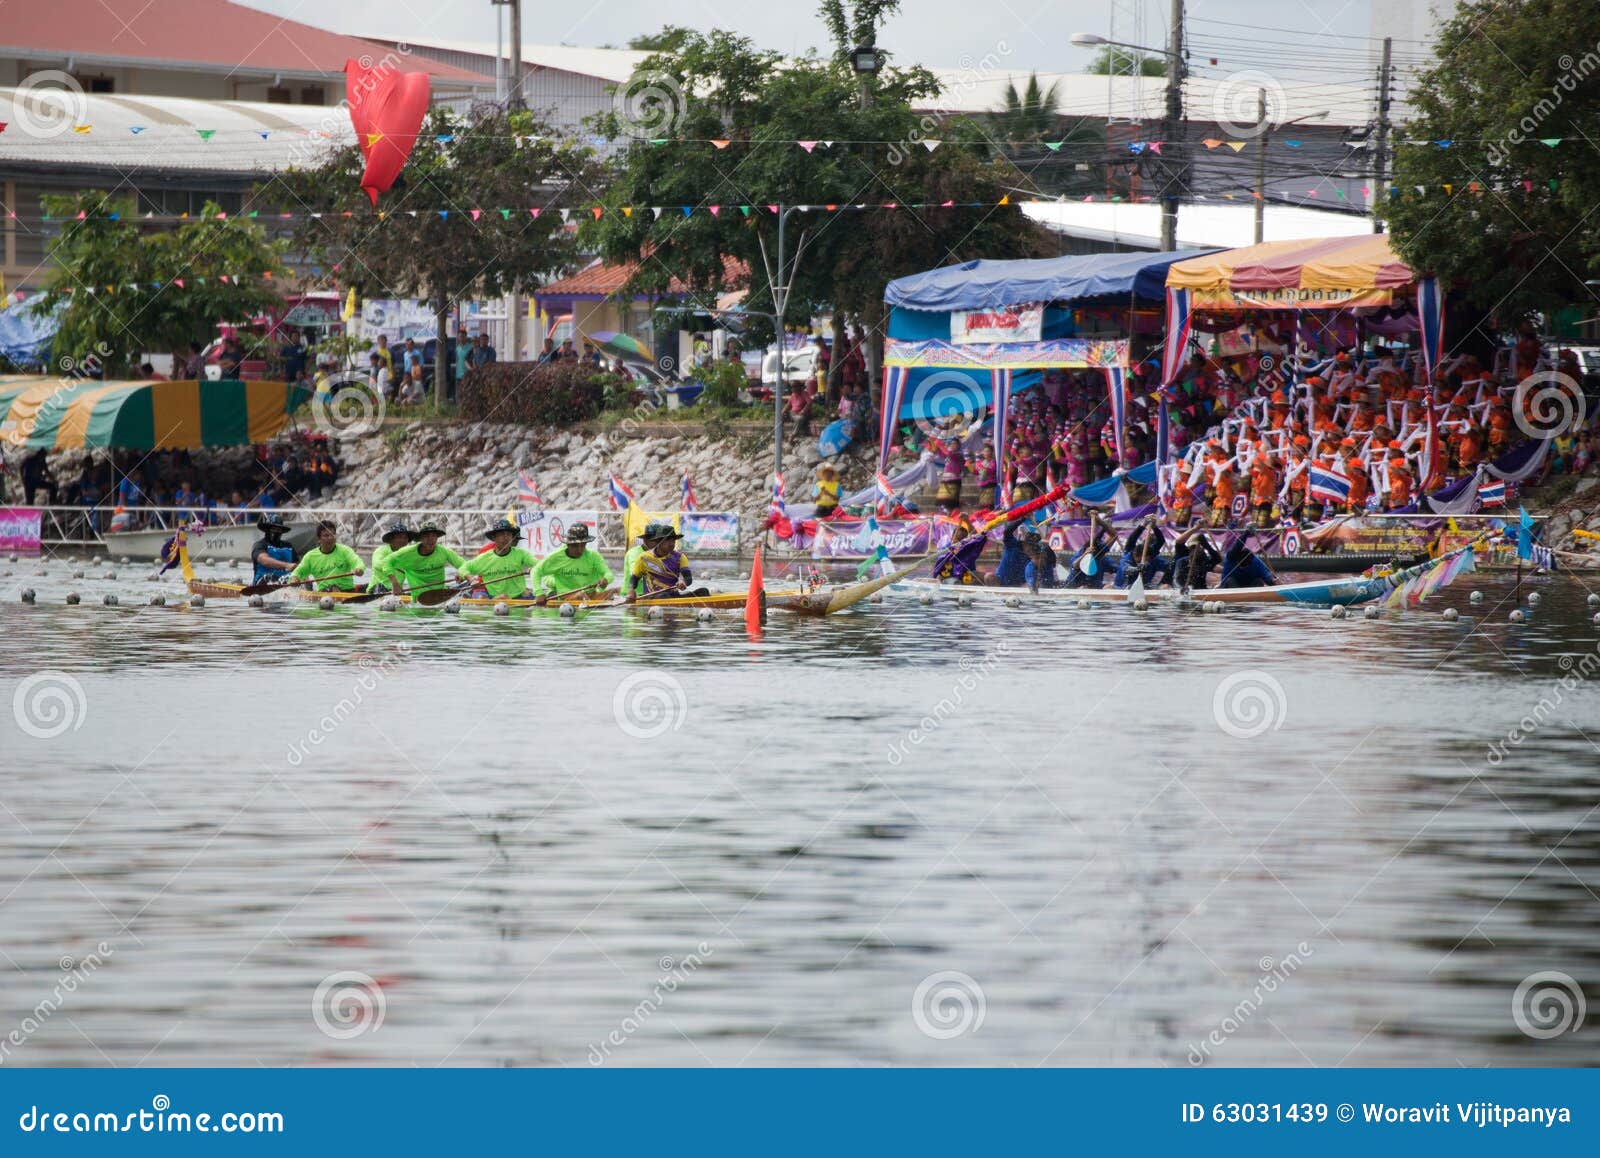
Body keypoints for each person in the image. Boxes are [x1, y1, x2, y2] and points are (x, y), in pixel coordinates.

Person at [376, 518, 466, 597]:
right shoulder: (407, 552)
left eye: (434, 536)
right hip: (420, 596)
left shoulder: (444, 551)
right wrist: (395, 584)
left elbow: (465, 565)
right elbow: (386, 562)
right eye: (427, 536)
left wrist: (461, 573)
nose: (431, 539)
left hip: (440, 593)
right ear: (421, 538)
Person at [455, 518, 538, 600]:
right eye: (502, 534)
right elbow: (462, 568)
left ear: (512, 537)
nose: (506, 538)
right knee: (501, 597)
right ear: (494, 538)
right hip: (494, 596)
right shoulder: (485, 557)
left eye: (508, 534)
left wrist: (534, 568)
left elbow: (540, 565)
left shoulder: (522, 554)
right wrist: (472, 579)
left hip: (518, 596)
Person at [531, 523, 615, 604]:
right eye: (575, 545)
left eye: (582, 545)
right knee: (580, 595)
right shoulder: (556, 557)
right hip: (566, 597)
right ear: (568, 544)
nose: (579, 550)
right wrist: (538, 593)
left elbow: (609, 574)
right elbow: (535, 571)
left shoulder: (594, 556)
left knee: (615, 591)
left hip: (590, 595)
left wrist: (606, 580)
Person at [627, 522, 706, 602]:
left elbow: (688, 578)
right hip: (653, 597)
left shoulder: (680, 557)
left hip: (674, 596)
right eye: (668, 540)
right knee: (664, 595)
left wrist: (683, 582)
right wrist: (631, 591)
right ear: (658, 542)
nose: (672, 544)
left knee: (703, 591)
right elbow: (634, 578)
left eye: (673, 540)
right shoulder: (644, 557)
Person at [287, 520, 364, 592]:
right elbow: (297, 572)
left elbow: (358, 563)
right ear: (319, 539)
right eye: (326, 535)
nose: (330, 538)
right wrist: (294, 579)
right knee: (332, 588)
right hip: (325, 593)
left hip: (348, 591)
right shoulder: (310, 556)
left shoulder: (345, 550)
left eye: (332, 534)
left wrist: (359, 569)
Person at [1065, 510, 1113, 589]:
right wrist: (1085, 554)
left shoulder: (1100, 555)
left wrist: (1102, 523)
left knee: (1109, 587)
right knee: (1082, 588)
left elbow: (1113, 535)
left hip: (1094, 586)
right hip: (1075, 587)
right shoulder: (1078, 556)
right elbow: (1075, 565)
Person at [248, 514, 297, 585]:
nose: (277, 531)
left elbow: (297, 564)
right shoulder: (260, 545)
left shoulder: (288, 546)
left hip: (286, 581)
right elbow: (264, 560)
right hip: (262, 583)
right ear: (267, 529)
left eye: (279, 529)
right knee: (271, 577)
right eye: (274, 529)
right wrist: (286, 565)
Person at [1169, 525, 1220, 590]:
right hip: (1183, 589)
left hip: (1201, 590)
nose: (1195, 550)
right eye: (1193, 547)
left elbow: (1218, 559)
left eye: (1198, 547)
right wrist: (1182, 588)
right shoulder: (1182, 561)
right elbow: (1176, 579)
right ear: (1189, 548)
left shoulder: (1204, 561)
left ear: (1202, 548)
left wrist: (1206, 545)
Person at [367, 520, 413, 593]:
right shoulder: (381, 551)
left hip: (397, 591)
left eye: (405, 538)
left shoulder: (408, 555)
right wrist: (397, 567)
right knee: (381, 587)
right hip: (377, 588)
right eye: (399, 537)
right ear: (391, 539)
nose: (403, 540)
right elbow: (378, 565)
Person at [1020, 528, 1059, 593]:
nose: (1041, 560)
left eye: (1043, 558)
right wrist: (1034, 586)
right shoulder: (1030, 569)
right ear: (1032, 557)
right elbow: (1032, 589)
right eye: (1037, 558)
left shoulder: (1048, 563)